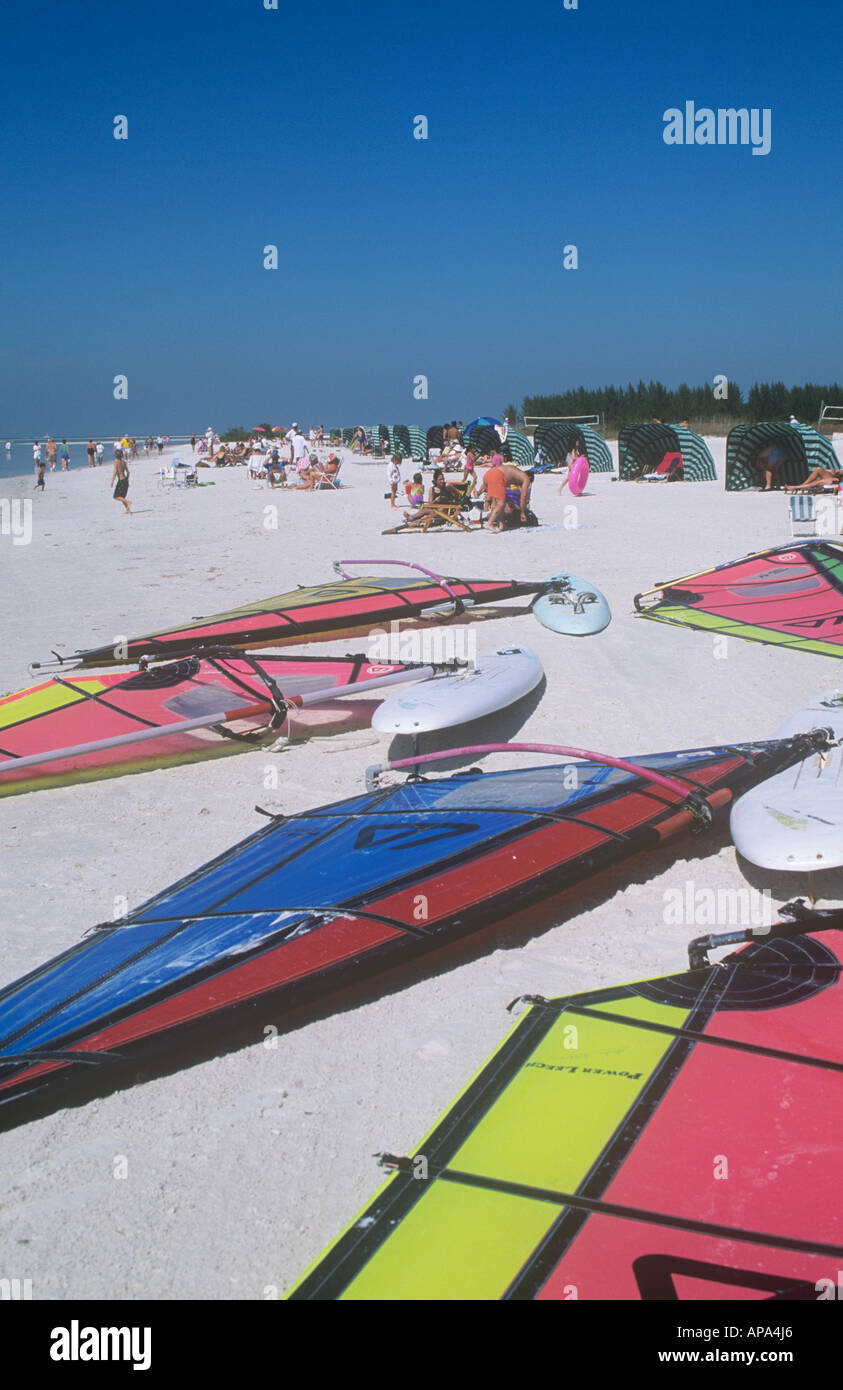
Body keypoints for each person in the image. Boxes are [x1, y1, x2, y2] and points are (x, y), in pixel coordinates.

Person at [478, 460, 507, 530]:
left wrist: (479, 492)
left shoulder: (491, 471)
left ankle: (500, 524)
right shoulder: (500, 472)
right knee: (500, 503)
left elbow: (484, 485)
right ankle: (490, 523)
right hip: (497, 486)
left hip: (490, 486)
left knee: (494, 502)